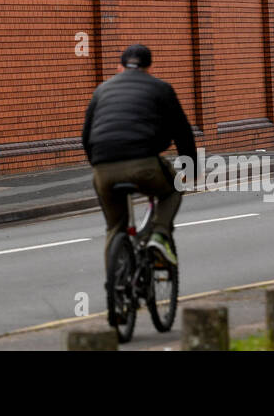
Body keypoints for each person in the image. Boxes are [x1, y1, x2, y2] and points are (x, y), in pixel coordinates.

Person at [82, 43, 197, 266]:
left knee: (115, 229)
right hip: (143, 163)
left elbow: (86, 135)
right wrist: (190, 169)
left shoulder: (101, 90)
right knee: (174, 188)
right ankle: (159, 236)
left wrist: (97, 165)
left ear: (120, 67)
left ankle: (116, 290)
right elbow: (182, 131)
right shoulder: (160, 88)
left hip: (103, 169)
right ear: (149, 68)